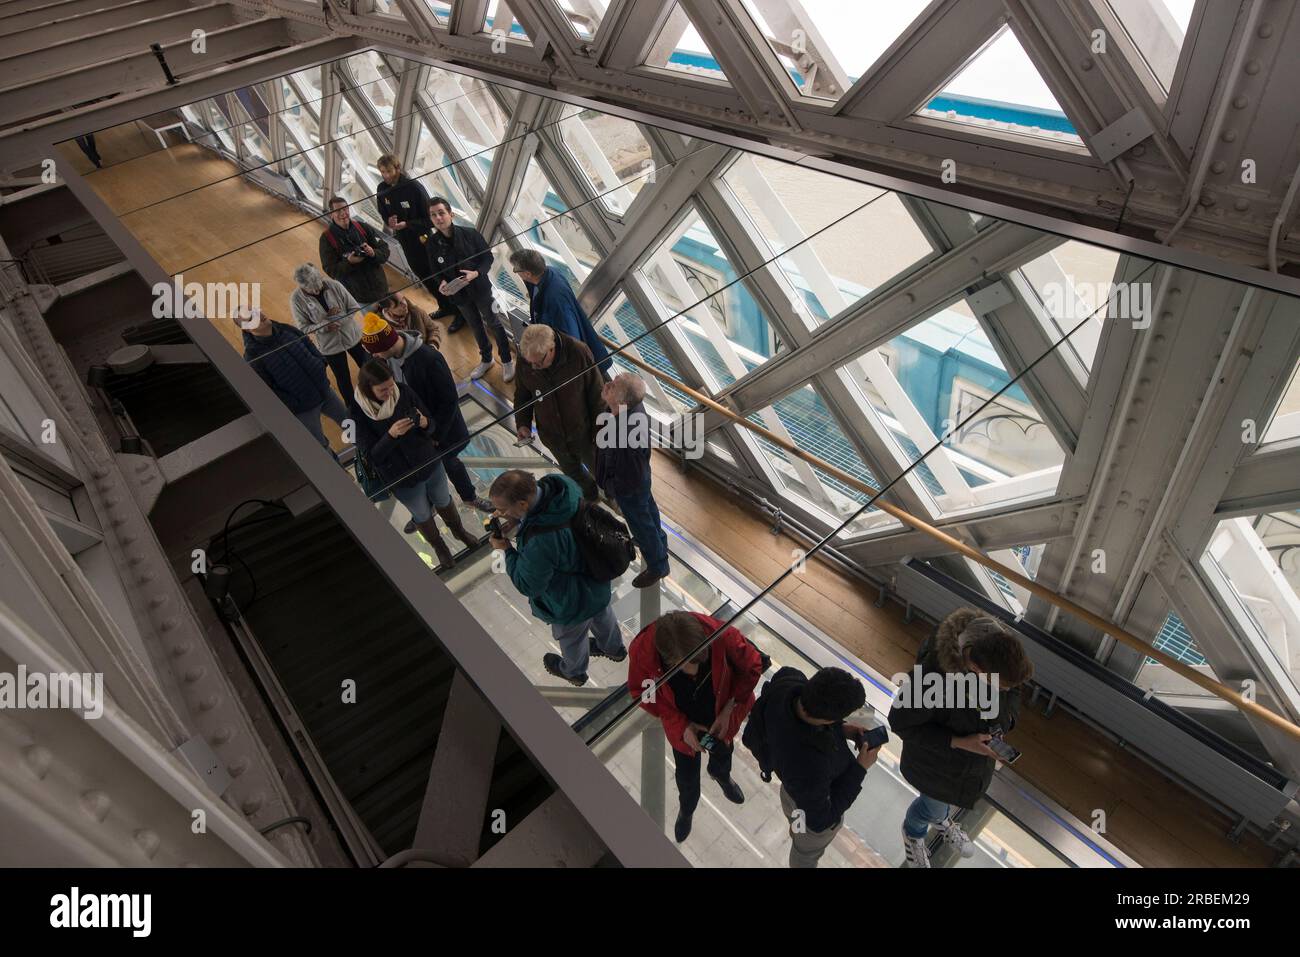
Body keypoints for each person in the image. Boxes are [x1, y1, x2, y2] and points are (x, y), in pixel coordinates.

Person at [889, 608, 1032, 868]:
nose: (1005, 691)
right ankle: (914, 831)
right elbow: (900, 723)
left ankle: (941, 817)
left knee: (940, 804)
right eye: (1000, 686)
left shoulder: (998, 650)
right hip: (934, 767)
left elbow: (1013, 691)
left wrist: (1005, 721)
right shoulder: (930, 682)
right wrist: (959, 742)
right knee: (930, 806)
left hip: (965, 767)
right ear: (975, 667)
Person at [627, 611, 761, 843]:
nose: (699, 670)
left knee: (722, 754)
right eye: (691, 665)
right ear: (670, 662)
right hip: (684, 733)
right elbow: (644, 695)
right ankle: (687, 808)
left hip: (721, 717)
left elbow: (752, 666)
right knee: (687, 779)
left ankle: (721, 776)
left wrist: (730, 707)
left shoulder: (721, 634)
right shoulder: (643, 655)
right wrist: (683, 726)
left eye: (703, 660)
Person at [488, 469, 626, 686]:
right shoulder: (563, 485)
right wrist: (520, 521)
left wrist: (506, 550)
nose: (499, 514)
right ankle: (614, 649)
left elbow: (528, 584)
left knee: (572, 639)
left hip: (569, 601)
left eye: (503, 509)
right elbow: (551, 519)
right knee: (603, 615)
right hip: (597, 578)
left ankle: (574, 672)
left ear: (523, 504)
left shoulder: (540, 542)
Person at [360, 312, 494, 524]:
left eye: (376, 354)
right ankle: (427, 509)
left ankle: (470, 497)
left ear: (386, 347)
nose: (374, 359)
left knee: (450, 462)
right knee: (424, 473)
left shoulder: (429, 359)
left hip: (438, 430)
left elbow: (449, 400)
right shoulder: (381, 360)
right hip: (412, 433)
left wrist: (436, 433)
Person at [749, 665, 880, 868]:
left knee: (797, 824)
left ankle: (796, 832)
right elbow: (820, 821)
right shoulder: (810, 766)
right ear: (828, 719)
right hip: (809, 803)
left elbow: (808, 722)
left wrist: (842, 729)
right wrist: (860, 768)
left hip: (792, 793)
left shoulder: (788, 680)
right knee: (805, 852)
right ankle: (798, 844)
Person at [348, 360, 461, 567]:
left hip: (429, 462)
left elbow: (431, 424)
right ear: (368, 389)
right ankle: (440, 547)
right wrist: (391, 435)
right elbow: (372, 458)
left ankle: (459, 531)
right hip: (402, 478)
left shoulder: (403, 391)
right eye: (383, 389)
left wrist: (425, 423)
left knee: (444, 499)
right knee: (422, 514)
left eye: (391, 385)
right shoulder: (356, 415)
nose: (390, 392)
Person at [424, 196, 514, 382]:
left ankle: (506, 360)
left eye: (441, 213)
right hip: (459, 294)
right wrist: (441, 282)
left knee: (493, 323)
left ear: (451, 214)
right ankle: (487, 359)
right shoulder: (432, 243)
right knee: (475, 326)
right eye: (433, 215)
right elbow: (435, 270)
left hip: (480, 289)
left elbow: (487, 258)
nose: (438, 218)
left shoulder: (470, 234)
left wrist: (476, 274)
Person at [513, 324, 604, 501]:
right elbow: (522, 393)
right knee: (575, 476)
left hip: (585, 435)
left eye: (539, 362)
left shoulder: (579, 353)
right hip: (553, 438)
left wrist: (598, 433)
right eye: (531, 363)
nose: (534, 367)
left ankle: (614, 499)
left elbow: (597, 396)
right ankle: (593, 501)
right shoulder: (528, 359)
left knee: (602, 472)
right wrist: (522, 423)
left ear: (552, 348)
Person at [595, 372, 669, 588]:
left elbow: (627, 471)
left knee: (641, 523)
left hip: (629, 488)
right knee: (648, 513)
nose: (607, 384)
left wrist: (612, 488)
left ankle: (658, 566)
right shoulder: (628, 411)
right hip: (639, 482)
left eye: (614, 386)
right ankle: (659, 543)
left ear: (622, 400)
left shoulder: (625, 434)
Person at [236, 308, 347, 452]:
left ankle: (370, 461)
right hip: (303, 409)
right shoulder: (253, 356)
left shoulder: (287, 330)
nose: (259, 315)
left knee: (350, 425)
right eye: (251, 317)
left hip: (324, 391)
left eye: (256, 311)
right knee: (321, 446)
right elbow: (268, 390)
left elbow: (308, 343)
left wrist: (320, 363)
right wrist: (294, 402)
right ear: (247, 329)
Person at [509, 248, 611, 376]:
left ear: (527, 274)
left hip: (584, 366)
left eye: (516, 270)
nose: (515, 273)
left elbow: (571, 339)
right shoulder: (550, 272)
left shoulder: (556, 301)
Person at [289, 262, 368, 400]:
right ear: (302, 286)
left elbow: (354, 307)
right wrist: (326, 324)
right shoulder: (296, 299)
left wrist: (338, 319)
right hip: (330, 347)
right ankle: (352, 408)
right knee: (343, 379)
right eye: (312, 291)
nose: (317, 292)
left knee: (369, 367)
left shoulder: (334, 285)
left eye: (319, 288)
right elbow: (303, 328)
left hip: (353, 336)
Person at [320, 196, 390, 307]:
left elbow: (385, 250)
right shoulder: (327, 239)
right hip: (360, 296)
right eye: (338, 210)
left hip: (382, 289)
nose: (343, 213)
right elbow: (331, 270)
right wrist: (349, 262)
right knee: (373, 323)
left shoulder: (363, 227)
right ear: (331, 214)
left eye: (345, 208)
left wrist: (373, 253)